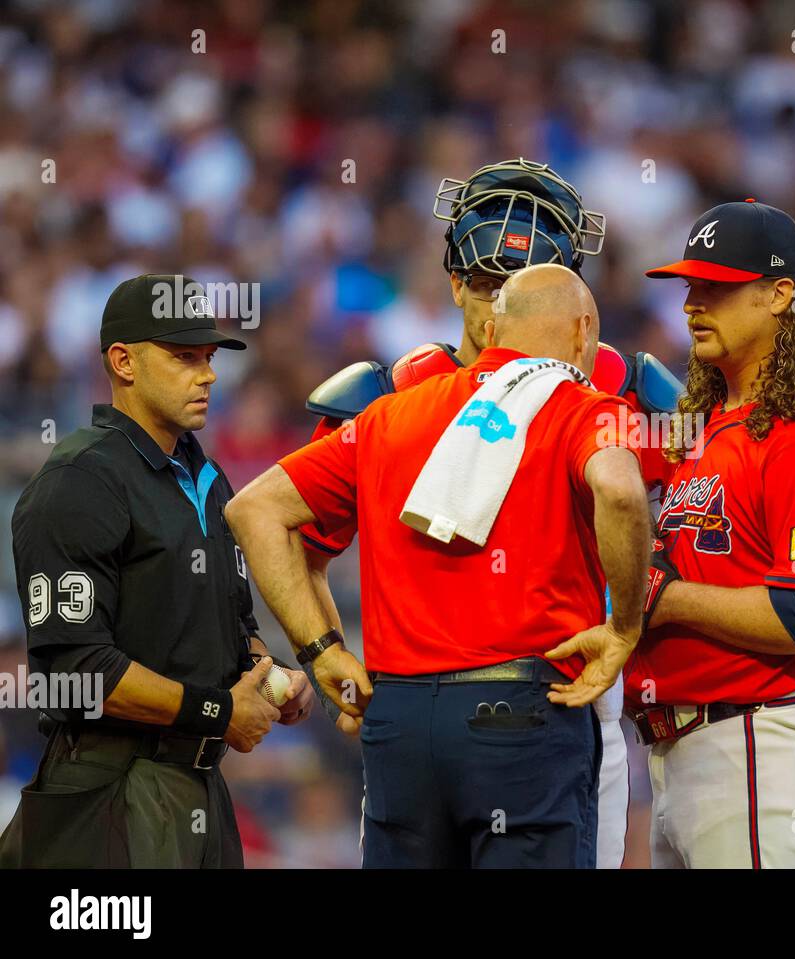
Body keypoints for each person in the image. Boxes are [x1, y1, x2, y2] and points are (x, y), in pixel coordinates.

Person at [297, 157, 679, 869]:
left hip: (569, 690)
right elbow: (297, 539)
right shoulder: (388, 396)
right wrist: (327, 654)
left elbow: (686, 532)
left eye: (522, 281)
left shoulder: (629, 394)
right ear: (453, 282)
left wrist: (634, 639)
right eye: (486, 280)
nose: (501, 301)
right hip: (415, 693)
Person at [225, 264, 651, 869]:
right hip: (522, 714)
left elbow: (254, 508)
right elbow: (622, 491)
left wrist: (321, 651)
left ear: (494, 328)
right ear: (584, 331)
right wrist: (625, 626)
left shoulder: (388, 415)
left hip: (401, 721)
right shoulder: (584, 407)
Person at [0, 274, 311, 869]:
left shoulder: (209, 480)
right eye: (183, 356)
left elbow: (233, 622)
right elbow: (75, 669)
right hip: (107, 786)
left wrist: (268, 678)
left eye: (209, 357)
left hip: (199, 787)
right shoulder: (81, 479)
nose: (208, 374)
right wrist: (222, 711)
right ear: (124, 362)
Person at [627, 199, 795, 868]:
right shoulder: (707, 428)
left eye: (718, 287)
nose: (692, 303)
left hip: (762, 744)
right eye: (690, 286)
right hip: (684, 751)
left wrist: (662, 596)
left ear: (780, 295)